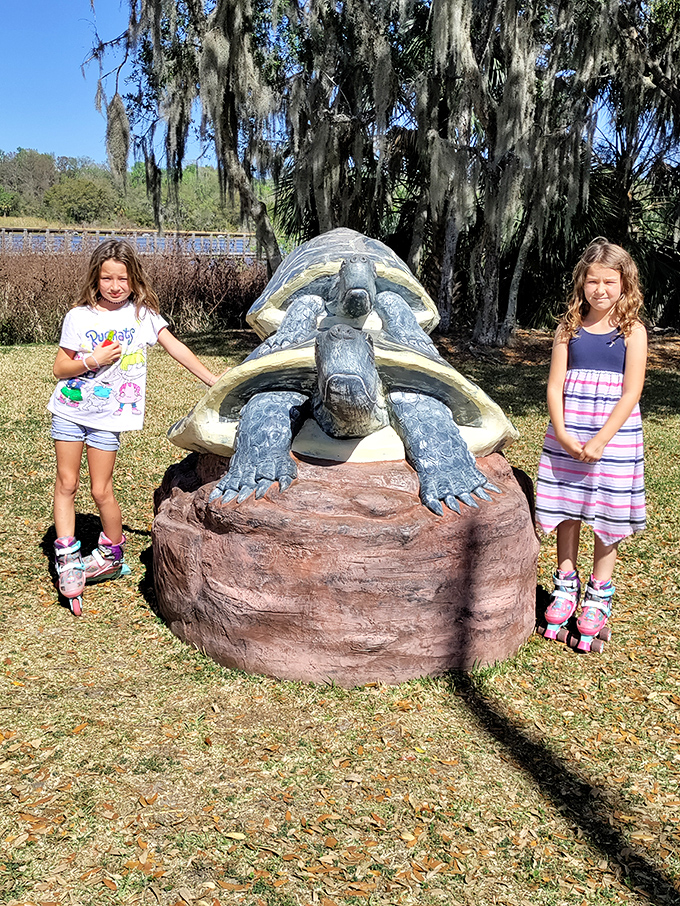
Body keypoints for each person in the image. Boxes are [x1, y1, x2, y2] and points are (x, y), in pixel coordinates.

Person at [47, 238, 224, 615]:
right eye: (107, 278)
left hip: (108, 419)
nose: (114, 285)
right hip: (70, 410)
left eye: (122, 279)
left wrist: (215, 381)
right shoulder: (79, 317)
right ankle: (67, 555)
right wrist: (91, 360)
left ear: (133, 280)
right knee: (67, 483)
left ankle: (111, 551)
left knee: (101, 489)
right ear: (95, 279)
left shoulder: (142, 316)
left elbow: (176, 348)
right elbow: (60, 368)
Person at [535, 238, 647, 652]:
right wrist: (563, 432)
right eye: (592, 281)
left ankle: (599, 593)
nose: (600, 290)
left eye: (609, 282)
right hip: (570, 428)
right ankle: (565, 583)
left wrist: (601, 439)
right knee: (567, 506)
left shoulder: (632, 331)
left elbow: (632, 391)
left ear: (624, 284)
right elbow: (554, 385)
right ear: (582, 283)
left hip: (613, 436)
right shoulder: (568, 328)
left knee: (606, 511)